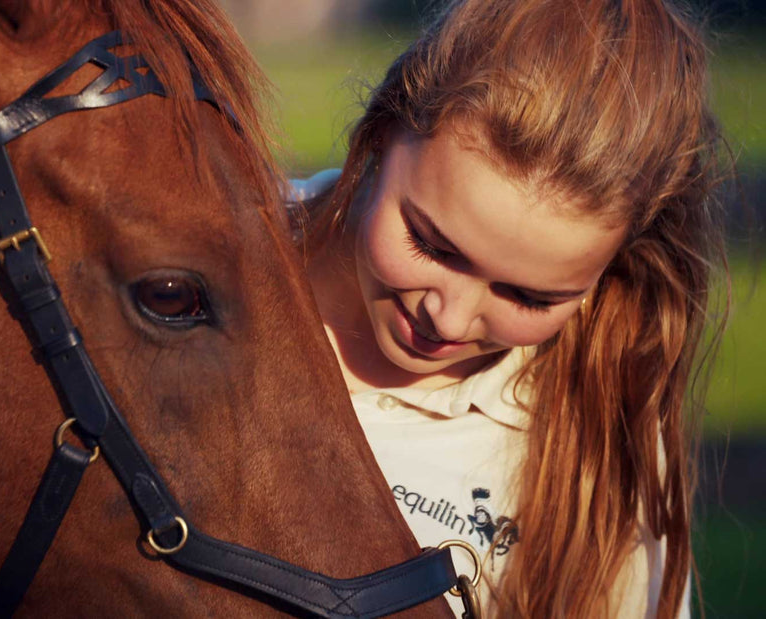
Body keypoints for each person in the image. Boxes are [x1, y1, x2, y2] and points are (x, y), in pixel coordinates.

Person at [290, 0, 727, 616]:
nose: (449, 317)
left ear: (612, 265)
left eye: (530, 297)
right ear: (385, 132)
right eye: (433, 246)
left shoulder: (597, 448)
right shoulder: (191, 264)